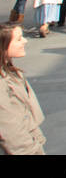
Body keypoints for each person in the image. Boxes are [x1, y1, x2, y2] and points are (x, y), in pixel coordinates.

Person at [0, 23, 45, 154]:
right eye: (19, 39)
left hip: (30, 137)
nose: (25, 41)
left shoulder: (9, 70)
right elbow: (9, 129)